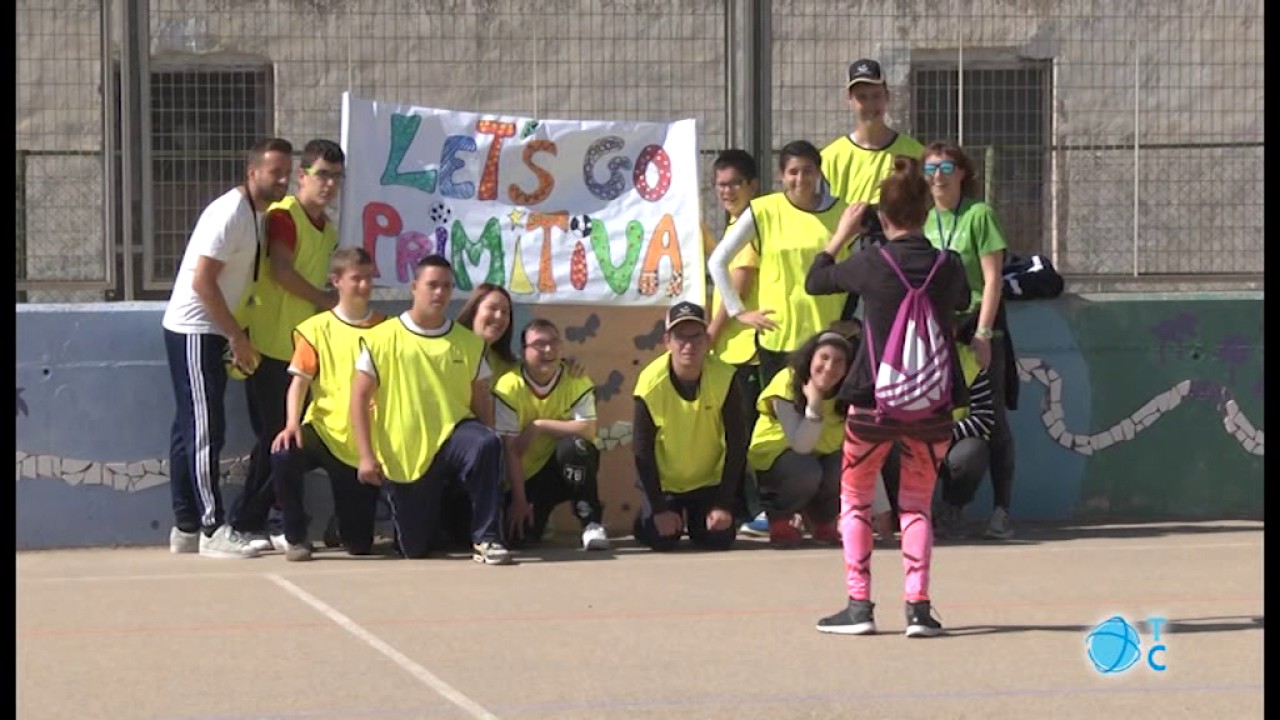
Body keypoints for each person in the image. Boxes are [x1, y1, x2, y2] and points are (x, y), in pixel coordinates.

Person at [805, 157, 970, 637]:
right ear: (925, 210)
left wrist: (839, 236)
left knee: (855, 501)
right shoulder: (947, 266)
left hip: (874, 404)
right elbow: (960, 303)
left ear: (881, 215)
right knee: (916, 506)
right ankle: (918, 609)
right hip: (933, 406)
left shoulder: (870, 264)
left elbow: (817, 282)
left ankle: (859, 606)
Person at [161, 137, 292, 559]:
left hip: (215, 330)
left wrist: (237, 331)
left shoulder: (258, 214)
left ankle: (184, 526)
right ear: (252, 172)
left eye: (287, 171)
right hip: (196, 330)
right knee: (204, 431)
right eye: (276, 172)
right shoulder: (230, 213)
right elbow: (202, 282)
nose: (283, 179)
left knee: (189, 429)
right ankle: (212, 529)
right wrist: (236, 336)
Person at [349, 255, 512, 565]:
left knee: (485, 443)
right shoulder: (380, 338)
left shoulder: (468, 343)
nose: (439, 293)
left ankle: (487, 538)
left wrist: (493, 454)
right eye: (432, 285)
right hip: (406, 451)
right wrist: (366, 456)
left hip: (455, 435)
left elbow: (481, 400)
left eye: (447, 287)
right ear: (414, 287)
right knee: (415, 549)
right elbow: (358, 398)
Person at [231, 139, 345, 547]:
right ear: (303, 176)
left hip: (301, 351)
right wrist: (326, 300)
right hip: (268, 343)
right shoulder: (284, 216)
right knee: (275, 437)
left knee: (284, 440)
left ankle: (264, 517)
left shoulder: (327, 230)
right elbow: (280, 271)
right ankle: (246, 521)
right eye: (322, 175)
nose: (329, 184)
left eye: (336, 177)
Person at [921, 141, 1019, 540]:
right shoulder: (923, 219)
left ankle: (1002, 509)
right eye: (930, 170)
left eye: (946, 167)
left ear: (963, 172)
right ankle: (936, 506)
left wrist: (982, 331)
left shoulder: (980, 215)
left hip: (975, 331)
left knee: (991, 418)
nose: (938, 176)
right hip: (933, 337)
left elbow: (993, 278)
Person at [267, 247, 386, 561]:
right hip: (322, 430)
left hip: (363, 441)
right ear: (337, 281)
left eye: (368, 278)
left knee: (359, 545)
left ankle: (342, 525)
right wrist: (292, 424)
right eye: (356, 278)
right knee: (283, 453)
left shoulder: (387, 329)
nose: (364, 285)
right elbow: (299, 383)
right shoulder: (315, 329)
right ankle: (294, 534)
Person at [708, 141, 849, 385]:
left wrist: (853, 320)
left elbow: (859, 270)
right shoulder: (764, 210)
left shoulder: (843, 212)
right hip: (778, 337)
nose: (800, 178)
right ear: (781, 175)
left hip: (827, 337)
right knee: (777, 418)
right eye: (793, 172)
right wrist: (738, 311)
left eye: (807, 170)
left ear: (818, 172)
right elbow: (717, 261)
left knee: (824, 417)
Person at [632, 302, 746, 552]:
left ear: (706, 339)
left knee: (719, 538)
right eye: (680, 337)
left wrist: (724, 504)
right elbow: (642, 449)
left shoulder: (725, 377)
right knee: (660, 539)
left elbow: (737, 442)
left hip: (708, 483)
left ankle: (699, 519)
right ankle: (648, 517)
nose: (688, 344)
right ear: (667, 341)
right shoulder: (650, 384)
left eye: (696, 336)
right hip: (666, 485)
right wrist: (659, 508)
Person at [699, 149, 770, 537]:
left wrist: (710, 332)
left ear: (752, 185)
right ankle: (745, 509)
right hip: (731, 350)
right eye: (720, 184)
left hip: (746, 350)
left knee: (747, 434)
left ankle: (761, 510)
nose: (726, 191)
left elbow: (738, 284)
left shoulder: (749, 224)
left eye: (734, 184)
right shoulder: (732, 225)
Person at [494, 319, 610, 552]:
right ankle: (539, 516)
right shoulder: (508, 386)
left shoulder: (576, 379)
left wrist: (539, 426)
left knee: (576, 446)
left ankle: (591, 523)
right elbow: (511, 449)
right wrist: (519, 500)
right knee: (518, 538)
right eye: (539, 344)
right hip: (524, 478)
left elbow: (588, 429)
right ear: (523, 351)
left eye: (554, 343)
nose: (548, 350)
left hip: (559, 468)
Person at [749, 331, 863, 548]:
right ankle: (780, 518)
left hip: (821, 456)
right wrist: (815, 402)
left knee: (846, 465)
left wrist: (881, 513)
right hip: (779, 459)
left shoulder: (849, 392)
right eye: (824, 358)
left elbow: (861, 451)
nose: (830, 367)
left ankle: (822, 519)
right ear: (810, 357)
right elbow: (801, 445)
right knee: (807, 470)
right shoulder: (786, 381)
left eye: (839, 361)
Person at [820, 59, 926, 208]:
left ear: (887, 96)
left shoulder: (915, 153)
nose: (870, 105)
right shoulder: (830, 158)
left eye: (876, 96)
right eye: (862, 97)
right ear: (849, 99)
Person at [933, 340, 996, 539]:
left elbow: (984, 418)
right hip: (912, 442)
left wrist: (945, 434)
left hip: (952, 443)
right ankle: (903, 515)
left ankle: (951, 511)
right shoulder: (903, 357)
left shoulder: (969, 361)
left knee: (973, 452)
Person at [455, 283, 519, 378]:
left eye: (505, 312)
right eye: (492, 308)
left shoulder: (508, 368)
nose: (499, 316)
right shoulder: (450, 352)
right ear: (473, 311)